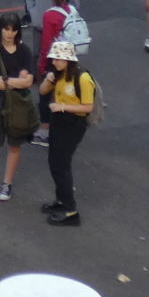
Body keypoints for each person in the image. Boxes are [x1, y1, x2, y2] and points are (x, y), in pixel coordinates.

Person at [0, 13, 36, 200]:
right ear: (0, 29)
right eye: (6, 28)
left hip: (17, 104)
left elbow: (28, 82)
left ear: (17, 31)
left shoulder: (25, 51)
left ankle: (7, 183)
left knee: (14, 146)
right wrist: (17, 81)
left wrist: (4, 81)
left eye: (13, 29)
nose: (9, 33)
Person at [38, 40, 95, 226]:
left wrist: (63, 106)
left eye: (58, 59)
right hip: (58, 121)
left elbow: (88, 106)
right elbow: (42, 91)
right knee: (54, 163)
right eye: (54, 58)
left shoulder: (83, 78)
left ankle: (70, 209)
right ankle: (61, 201)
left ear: (68, 59)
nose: (54, 62)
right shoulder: (58, 74)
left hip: (73, 124)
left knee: (61, 164)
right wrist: (49, 79)